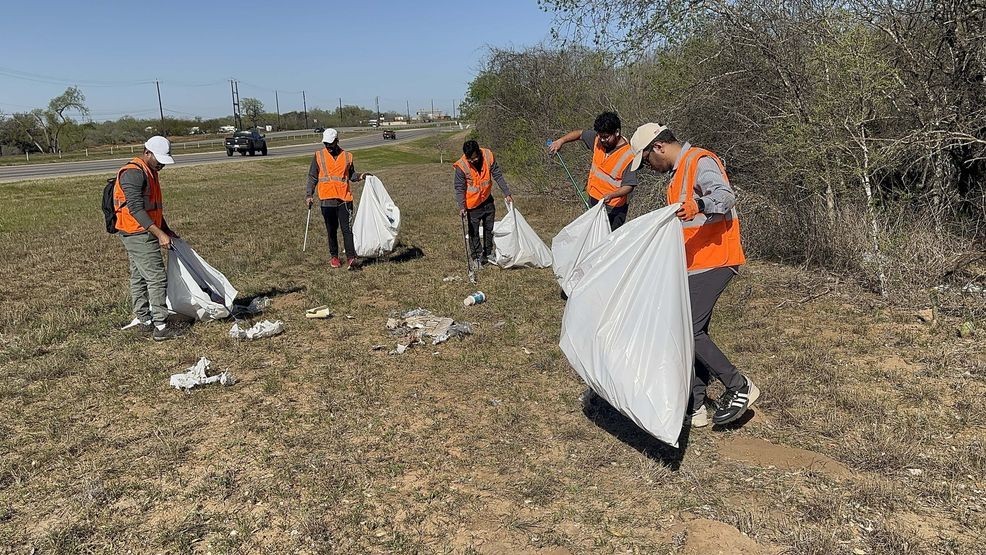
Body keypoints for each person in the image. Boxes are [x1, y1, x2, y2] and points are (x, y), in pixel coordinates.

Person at [629, 123, 760, 427]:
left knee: (687, 330)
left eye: (647, 159)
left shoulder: (700, 161)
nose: (649, 166)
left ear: (658, 147)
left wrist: (699, 204)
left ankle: (739, 386)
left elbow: (726, 197)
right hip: (695, 264)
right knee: (692, 331)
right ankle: (695, 405)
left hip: (716, 260)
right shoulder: (676, 174)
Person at [113, 136, 181, 341]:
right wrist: (159, 233)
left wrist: (166, 229)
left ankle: (144, 320)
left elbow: (153, 208)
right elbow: (135, 208)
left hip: (142, 230)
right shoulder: (134, 173)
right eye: (158, 159)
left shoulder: (150, 170)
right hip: (137, 233)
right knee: (156, 277)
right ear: (146, 153)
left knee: (139, 276)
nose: (161, 164)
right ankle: (160, 327)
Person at [547, 111, 639, 230]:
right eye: (600, 136)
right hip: (593, 201)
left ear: (617, 132)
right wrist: (560, 141)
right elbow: (580, 134)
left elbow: (629, 186)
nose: (602, 140)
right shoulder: (597, 140)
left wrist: (612, 195)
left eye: (606, 137)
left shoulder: (629, 156)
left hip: (612, 209)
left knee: (607, 244)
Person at [305, 129, 370, 270]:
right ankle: (334, 257)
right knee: (331, 230)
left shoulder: (347, 156)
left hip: (345, 200)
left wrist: (362, 175)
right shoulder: (318, 156)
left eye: (330, 143)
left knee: (347, 230)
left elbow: (351, 176)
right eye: (325, 143)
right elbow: (312, 177)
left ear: (336, 141)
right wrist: (309, 194)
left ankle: (351, 259)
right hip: (326, 200)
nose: (327, 146)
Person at [452, 140, 513, 268]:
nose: (472, 161)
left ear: (478, 152)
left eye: (474, 158)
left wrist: (506, 193)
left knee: (489, 229)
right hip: (472, 205)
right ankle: (476, 257)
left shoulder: (488, 155)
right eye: (469, 159)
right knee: (473, 232)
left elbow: (497, 175)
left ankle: (488, 253)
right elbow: (459, 188)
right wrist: (462, 207)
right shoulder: (462, 166)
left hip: (487, 200)